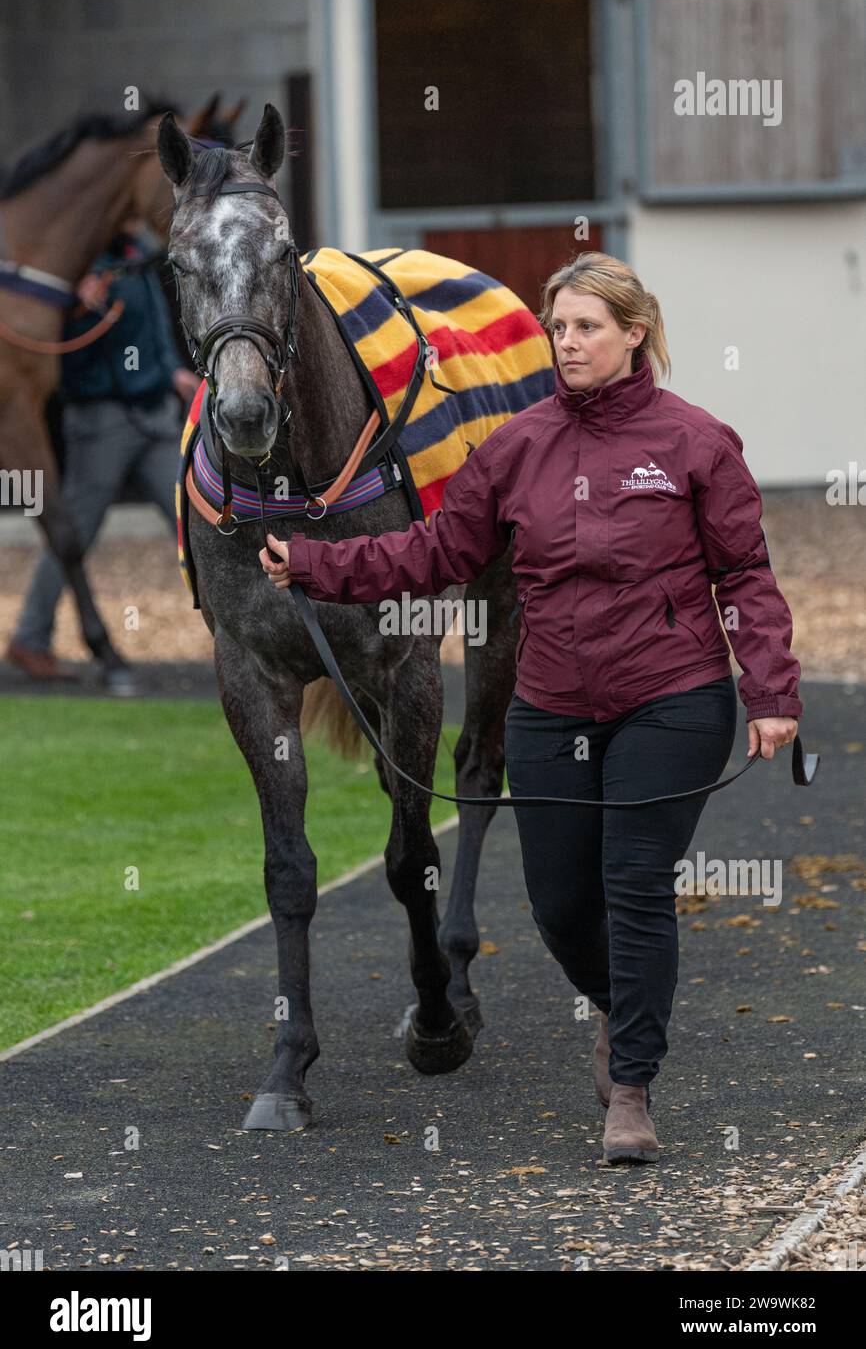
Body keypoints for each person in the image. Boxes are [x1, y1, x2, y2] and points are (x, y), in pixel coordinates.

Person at [257, 251, 802, 1165]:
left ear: (636, 333)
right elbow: (433, 551)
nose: (568, 342)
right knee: (557, 907)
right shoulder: (517, 445)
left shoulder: (698, 442)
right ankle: (625, 1011)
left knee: (634, 887)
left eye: (588, 326)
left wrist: (771, 692)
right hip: (551, 707)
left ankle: (630, 1088)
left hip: (671, 698)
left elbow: (745, 573)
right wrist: (313, 564)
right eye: (559, 327)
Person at [5, 219, 200, 686]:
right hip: (101, 423)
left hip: (153, 416)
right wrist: (79, 306)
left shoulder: (136, 255)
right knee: (72, 531)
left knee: (196, 517)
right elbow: (57, 344)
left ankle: (261, 631)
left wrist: (173, 371)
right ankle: (31, 639)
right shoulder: (71, 267)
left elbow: (155, 324)